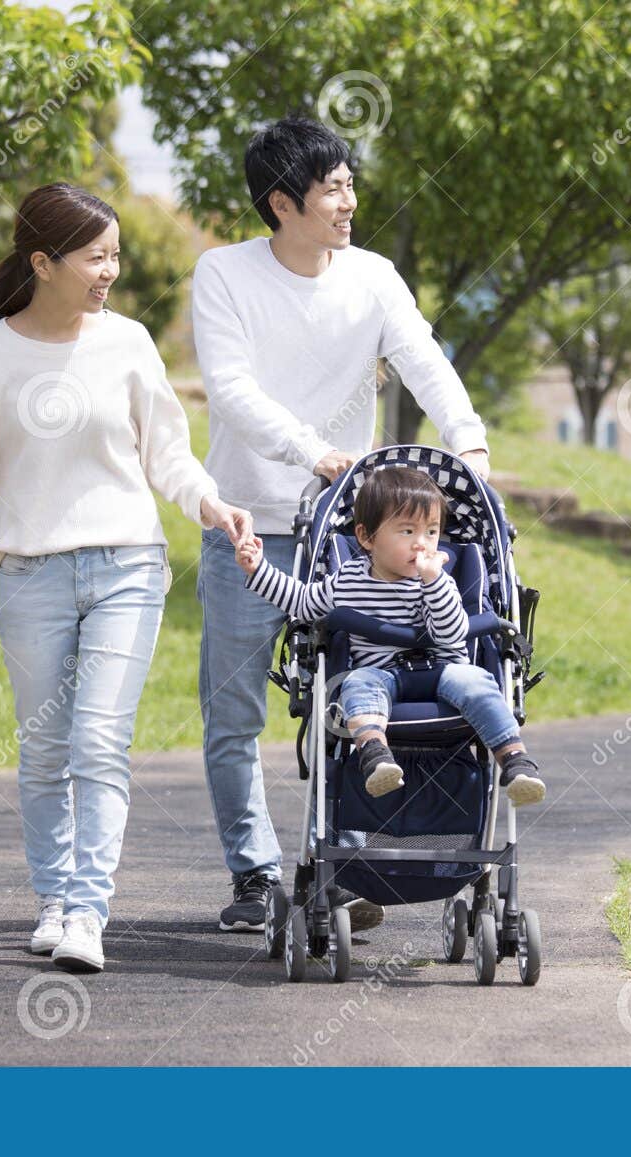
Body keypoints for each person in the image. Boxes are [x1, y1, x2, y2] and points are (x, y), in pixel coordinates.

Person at [0, 183, 253, 974]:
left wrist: (210, 502)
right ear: (44, 261)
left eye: (115, 255)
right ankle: (55, 898)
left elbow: (165, 450)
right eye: (96, 256)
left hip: (127, 567)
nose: (111, 269)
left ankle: (89, 913)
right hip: (29, 573)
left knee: (98, 740)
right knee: (42, 751)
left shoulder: (129, 343)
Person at [191, 114, 493, 933]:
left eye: (351, 184)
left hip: (351, 536)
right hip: (251, 525)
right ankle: (254, 874)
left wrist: (469, 444)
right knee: (234, 714)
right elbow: (230, 387)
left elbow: (425, 359)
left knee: (351, 699)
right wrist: (318, 452)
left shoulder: (374, 276)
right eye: (333, 190)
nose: (350, 202)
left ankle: (348, 862)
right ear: (283, 203)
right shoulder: (223, 274)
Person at [238, 466, 545, 804]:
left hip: (445, 671)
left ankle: (515, 761)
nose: (422, 544)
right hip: (383, 674)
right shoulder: (349, 579)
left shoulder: (437, 580)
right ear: (367, 538)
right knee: (356, 683)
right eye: (407, 531)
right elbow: (303, 602)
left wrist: (434, 581)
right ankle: (375, 755)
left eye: (431, 532)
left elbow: (450, 631)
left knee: (478, 682)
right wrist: (258, 569)